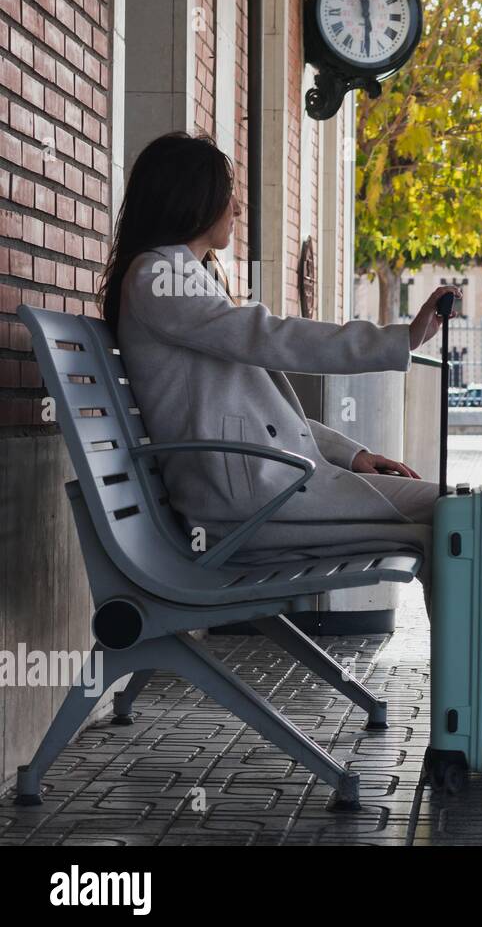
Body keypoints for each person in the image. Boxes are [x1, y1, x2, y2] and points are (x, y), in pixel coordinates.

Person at [99, 132, 452, 607]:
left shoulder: (178, 277)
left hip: (264, 486)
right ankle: (474, 681)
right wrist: (397, 341)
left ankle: (471, 680)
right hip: (247, 506)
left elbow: (254, 404)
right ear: (193, 199)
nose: (237, 210)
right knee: (463, 518)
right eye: (228, 195)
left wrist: (348, 454)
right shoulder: (158, 277)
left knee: (462, 516)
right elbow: (268, 337)